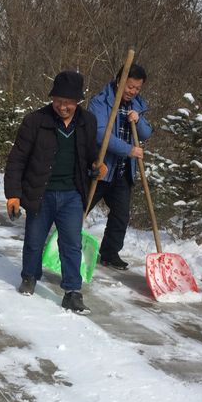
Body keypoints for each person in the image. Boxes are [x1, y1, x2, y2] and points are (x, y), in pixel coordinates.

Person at [3, 70, 106, 314]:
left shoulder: (87, 122)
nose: (63, 107)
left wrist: (97, 167)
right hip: (41, 192)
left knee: (71, 243)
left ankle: (72, 292)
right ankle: (29, 276)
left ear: (78, 101)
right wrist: (13, 195)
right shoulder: (35, 121)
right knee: (34, 241)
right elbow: (17, 159)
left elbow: (90, 155)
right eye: (58, 101)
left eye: (68, 102)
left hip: (72, 194)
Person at [87, 63, 152, 270]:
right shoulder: (101, 102)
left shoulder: (137, 105)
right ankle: (62, 242)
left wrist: (138, 119)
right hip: (101, 168)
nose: (133, 92)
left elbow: (145, 134)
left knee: (121, 216)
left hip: (123, 171)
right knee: (80, 208)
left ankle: (109, 253)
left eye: (137, 88)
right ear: (119, 81)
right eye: (130, 87)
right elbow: (99, 133)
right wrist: (129, 150)